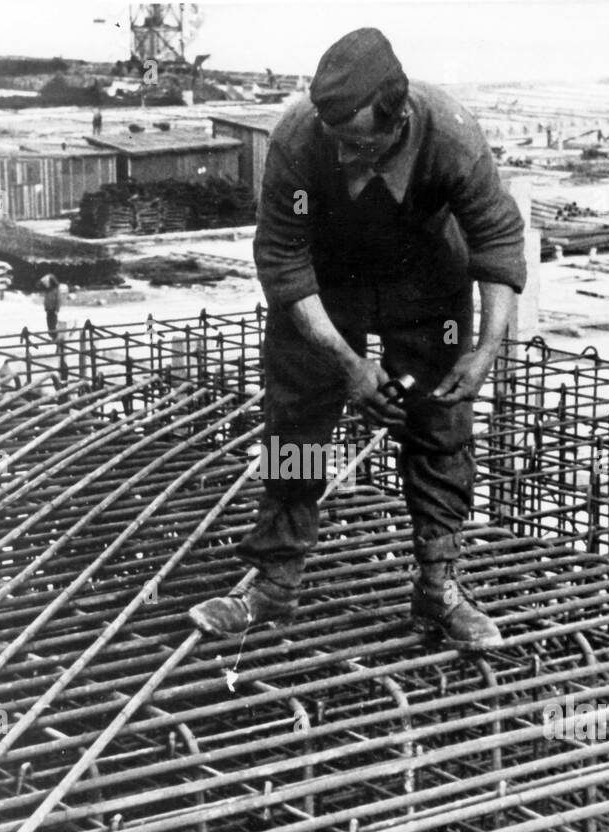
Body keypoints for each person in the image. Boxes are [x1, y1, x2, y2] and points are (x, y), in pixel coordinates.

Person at [189, 27, 526, 652]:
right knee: (296, 428)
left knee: (438, 425)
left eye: (359, 145)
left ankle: (438, 586)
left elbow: (498, 242)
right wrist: (346, 364)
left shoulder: (451, 135)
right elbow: (283, 262)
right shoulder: (297, 136)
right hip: (326, 284)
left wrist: (485, 350)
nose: (343, 158)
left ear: (397, 121)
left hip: (426, 286)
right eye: (336, 141)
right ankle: (274, 582)